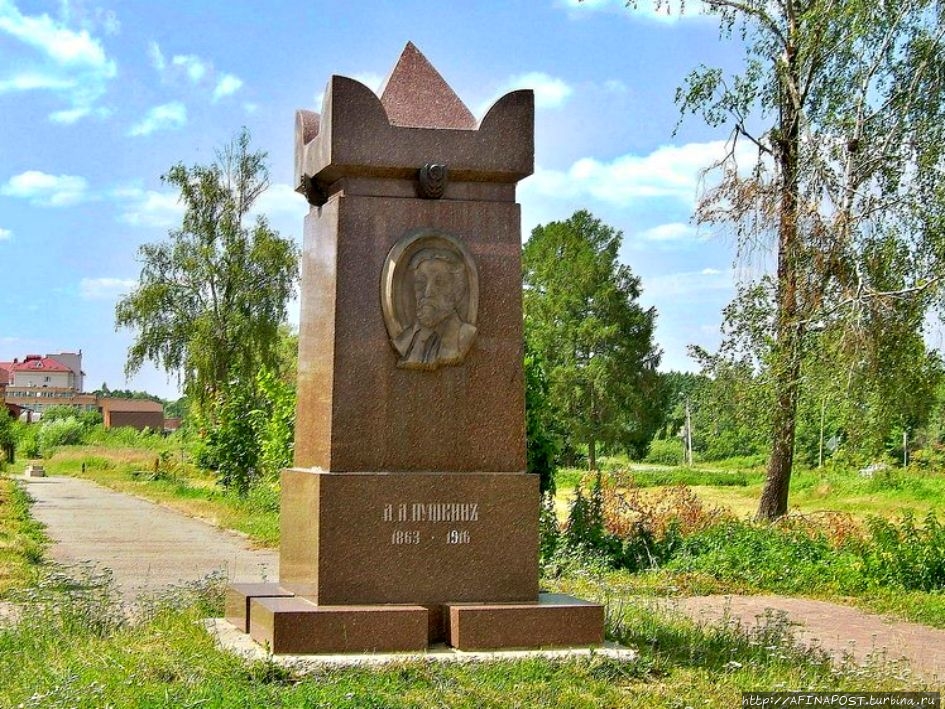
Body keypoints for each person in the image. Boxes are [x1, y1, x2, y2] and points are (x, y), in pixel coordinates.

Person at [393, 247, 476, 369]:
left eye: (440, 283)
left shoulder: (464, 335)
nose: (428, 293)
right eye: (421, 283)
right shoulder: (404, 341)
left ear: (456, 291)